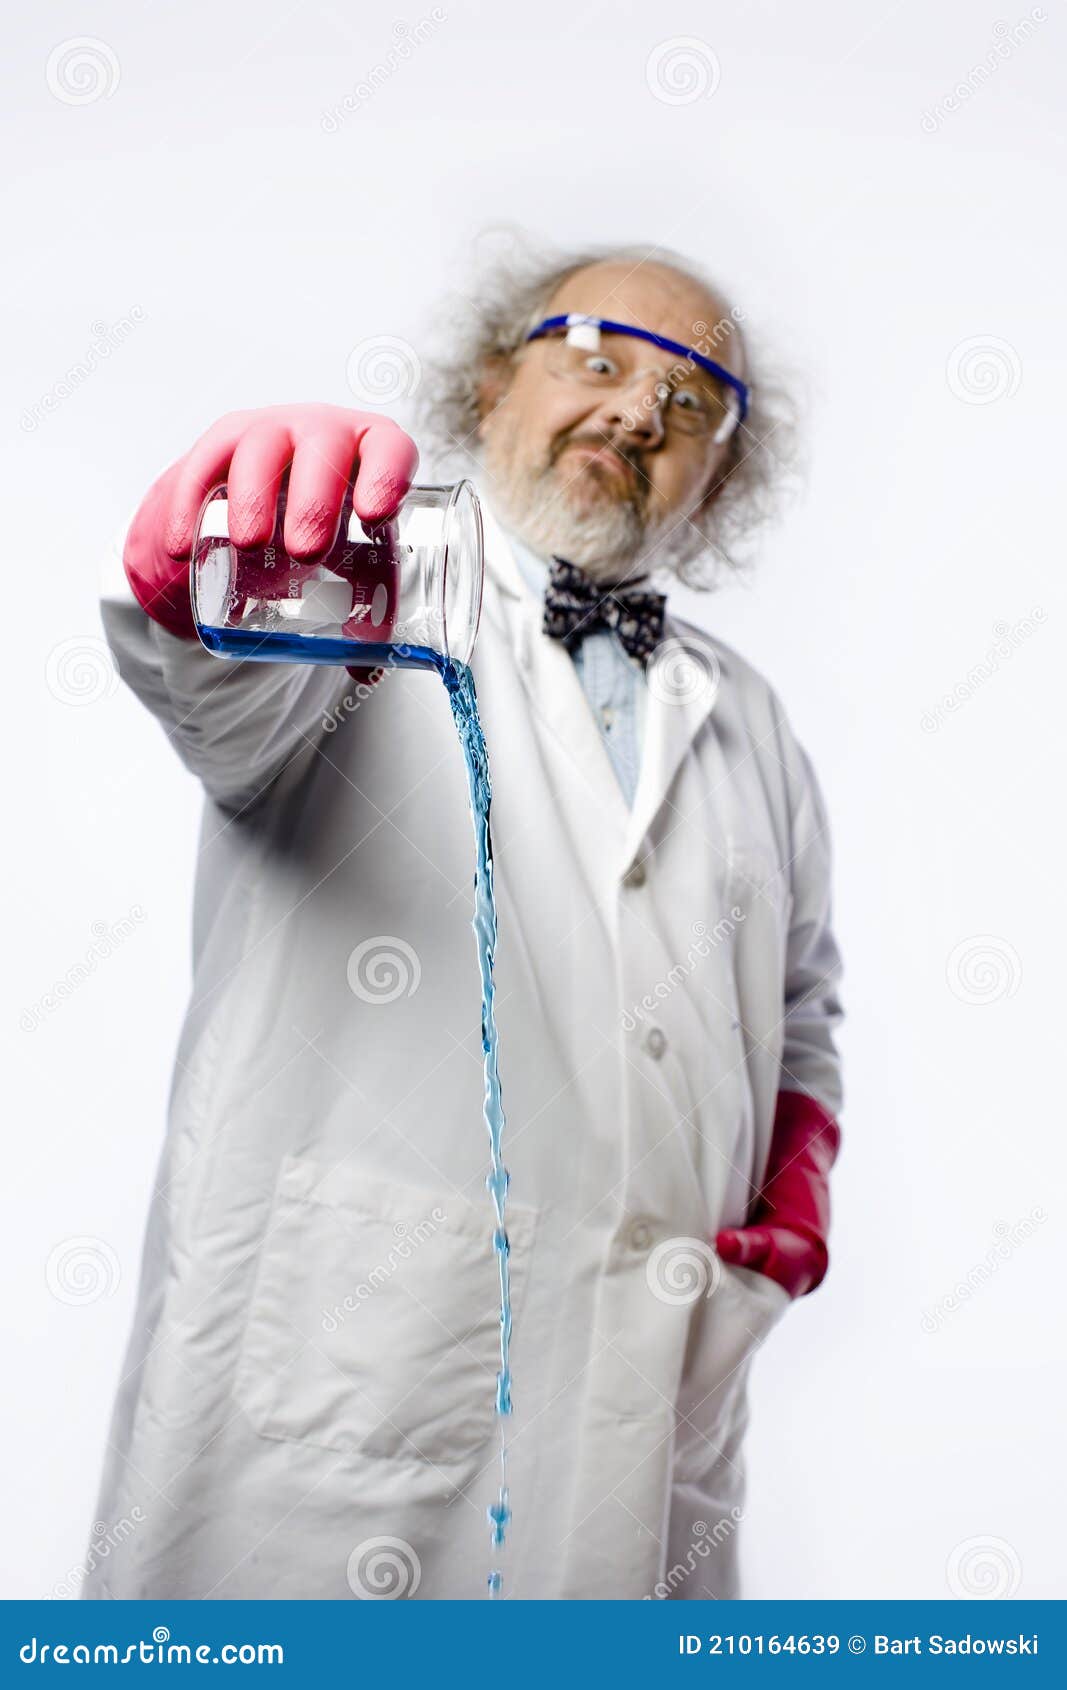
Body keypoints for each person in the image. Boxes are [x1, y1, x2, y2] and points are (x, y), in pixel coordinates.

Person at [87, 245, 844, 1601]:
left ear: (719, 478)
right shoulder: (364, 581)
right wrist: (217, 559)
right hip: (344, 1397)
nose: (636, 414)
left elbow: (798, 1004)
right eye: (601, 360)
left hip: (656, 1403)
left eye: (692, 404)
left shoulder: (754, 723)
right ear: (497, 376)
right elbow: (224, 687)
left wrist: (801, 1154)